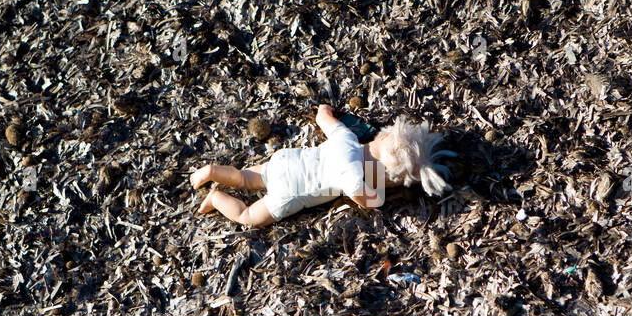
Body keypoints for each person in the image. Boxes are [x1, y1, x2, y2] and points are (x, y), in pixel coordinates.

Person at [190, 104, 453, 226]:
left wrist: (324, 109)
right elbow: (366, 199)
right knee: (247, 217)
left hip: (285, 161)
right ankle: (216, 198)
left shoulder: (347, 138)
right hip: (291, 191)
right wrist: (378, 200)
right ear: (383, 177)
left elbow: (324, 118)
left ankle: (212, 171)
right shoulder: (354, 179)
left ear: (381, 136)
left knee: (244, 177)